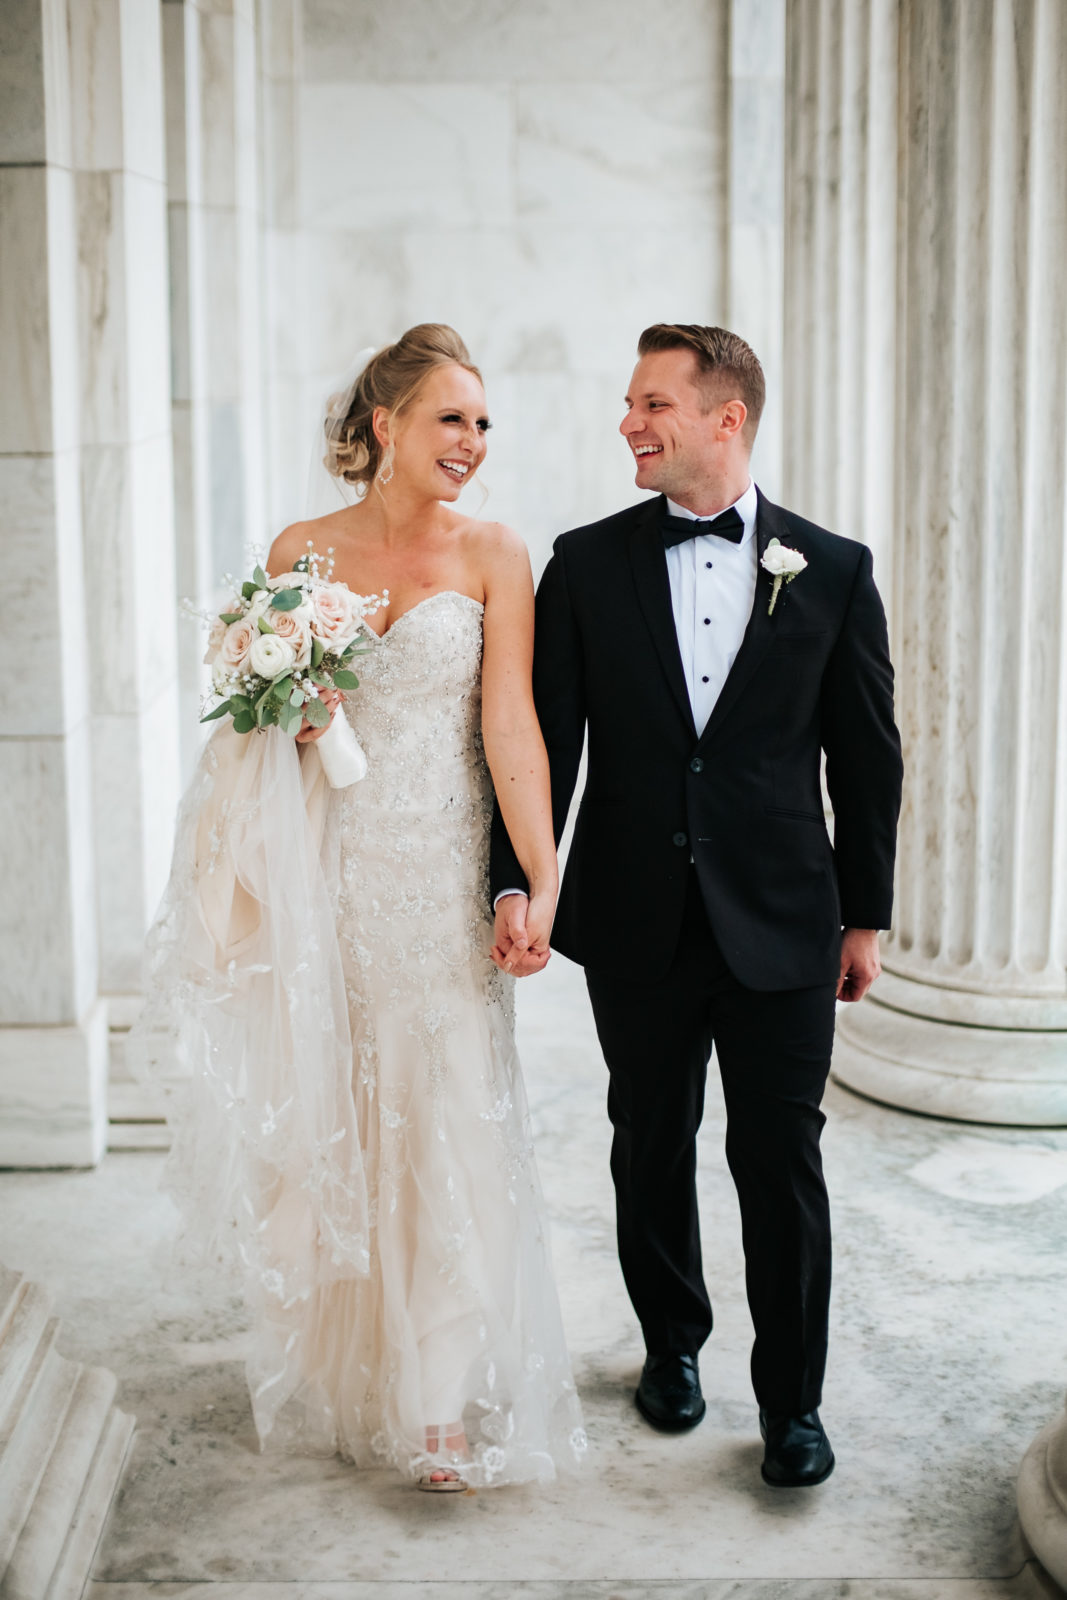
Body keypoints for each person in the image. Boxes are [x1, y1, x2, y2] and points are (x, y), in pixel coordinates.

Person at [136, 325, 585, 1492]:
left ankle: (437, 1404)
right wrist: (280, 718)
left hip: (437, 888)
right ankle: (357, 1369)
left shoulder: (493, 554)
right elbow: (254, 726)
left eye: (483, 423)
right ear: (384, 424)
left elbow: (510, 729)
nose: (472, 443)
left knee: (442, 1122)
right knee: (341, 1120)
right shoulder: (301, 548)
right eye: (450, 419)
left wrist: (539, 879)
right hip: (326, 883)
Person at [490, 323, 903, 1488]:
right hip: (634, 918)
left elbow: (866, 758)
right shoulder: (582, 561)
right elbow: (540, 750)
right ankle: (672, 1345)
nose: (629, 421)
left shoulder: (832, 568)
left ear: (726, 419)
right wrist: (514, 879)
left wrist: (860, 916)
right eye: (629, 402)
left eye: (652, 403)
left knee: (782, 1162)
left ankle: (792, 1405)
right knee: (649, 1142)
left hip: (783, 918)